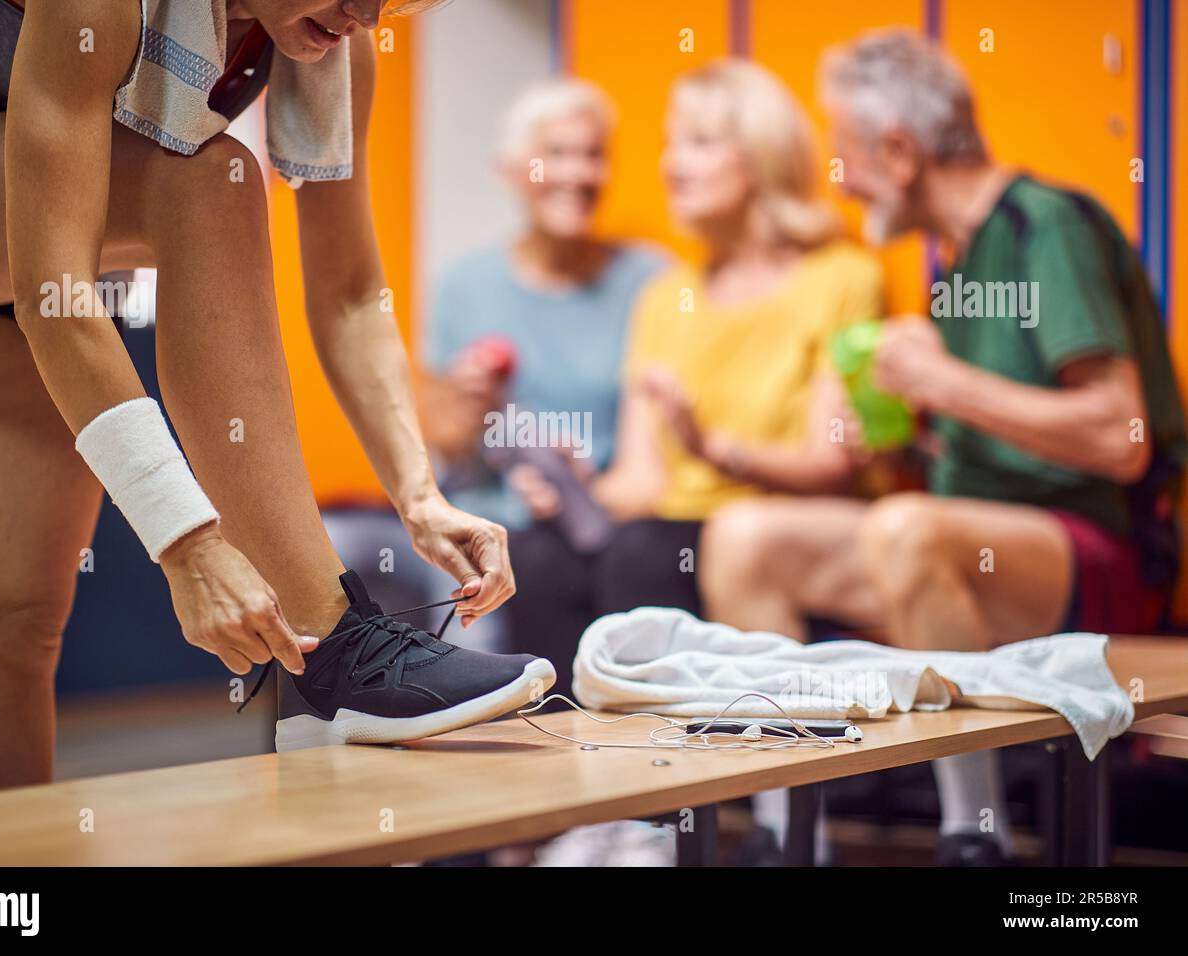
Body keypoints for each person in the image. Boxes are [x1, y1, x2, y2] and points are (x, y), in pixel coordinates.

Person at [0, 0, 553, 796]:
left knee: (10, 626)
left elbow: (348, 292)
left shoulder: (337, 35)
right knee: (210, 181)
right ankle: (333, 656)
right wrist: (186, 542)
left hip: (34, 194)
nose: (365, 11)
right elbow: (52, 290)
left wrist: (419, 496)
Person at [700, 28, 1186, 864]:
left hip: (1098, 559)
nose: (840, 181)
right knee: (746, 537)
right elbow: (981, 450)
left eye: (844, 153)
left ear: (898, 150)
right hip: (980, 552)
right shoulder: (953, 267)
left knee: (908, 529)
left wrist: (939, 383)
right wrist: (889, 441)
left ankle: (972, 834)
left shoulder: (1047, 228)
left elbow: (1122, 436)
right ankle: (788, 835)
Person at [510, 59, 882, 691]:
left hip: (773, 523)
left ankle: (665, 773)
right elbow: (642, 480)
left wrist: (715, 450)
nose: (670, 164)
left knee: (641, 552)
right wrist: (576, 491)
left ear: (762, 156)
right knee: (537, 554)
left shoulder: (843, 278)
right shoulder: (664, 296)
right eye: (669, 145)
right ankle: (563, 762)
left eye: (699, 143)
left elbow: (834, 464)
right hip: (667, 527)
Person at [323, 77, 664, 658]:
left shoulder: (649, 277)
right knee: (536, 562)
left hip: (611, 504)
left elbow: (656, 441)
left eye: (592, 155)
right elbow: (447, 447)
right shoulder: (464, 286)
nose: (577, 173)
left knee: (638, 555)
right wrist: (469, 400)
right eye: (555, 153)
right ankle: (558, 730)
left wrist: (591, 488)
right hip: (507, 512)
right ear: (512, 170)